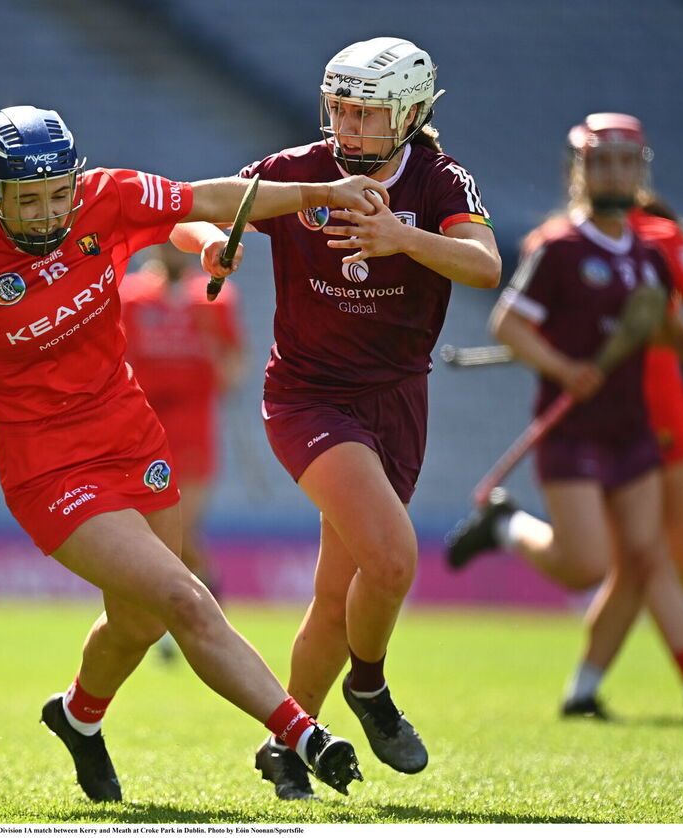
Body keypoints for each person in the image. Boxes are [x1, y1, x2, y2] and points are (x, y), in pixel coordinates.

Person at [0, 105, 391, 801]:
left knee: (140, 619)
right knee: (185, 596)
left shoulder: (104, 199)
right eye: (28, 201)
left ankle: (78, 717)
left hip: (131, 437)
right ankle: (303, 736)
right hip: (48, 470)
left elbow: (202, 199)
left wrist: (309, 200)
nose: (49, 213)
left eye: (58, 193)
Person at [212, 37, 502, 800]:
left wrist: (403, 238)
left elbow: (485, 266)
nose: (347, 127)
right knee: (394, 560)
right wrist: (214, 243)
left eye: (366, 114)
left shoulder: (440, 179)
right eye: (339, 108)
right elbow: (201, 209)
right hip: (307, 398)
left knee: (335, 604)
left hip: (400, 401)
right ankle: (368, 691)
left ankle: (287, 743)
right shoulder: (298, 170)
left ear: (410, 115)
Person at [445, 113, 683, 721]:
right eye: (600, 164)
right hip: (572, 429)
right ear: (579, 173)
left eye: (625, 163)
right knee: (586, 567)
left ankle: (663, 684)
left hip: (633, 430)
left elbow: (677, 332)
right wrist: (565, 369)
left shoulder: (650, 253)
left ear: (640, 170)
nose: (613, 173)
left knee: (645, 558)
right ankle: (509, 526)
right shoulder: (560, 248)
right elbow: (508, 325)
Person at [120, 242, 246, 601]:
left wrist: (216, 361)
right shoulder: (130, 297)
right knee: (153, 531)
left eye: (176, 248)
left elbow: (234, 367)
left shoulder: (214, 298)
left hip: (194, 429)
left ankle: (206, 599)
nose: (170, 254)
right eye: (163, 247)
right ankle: (179, 607)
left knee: (180, 529)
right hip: (143, 431)